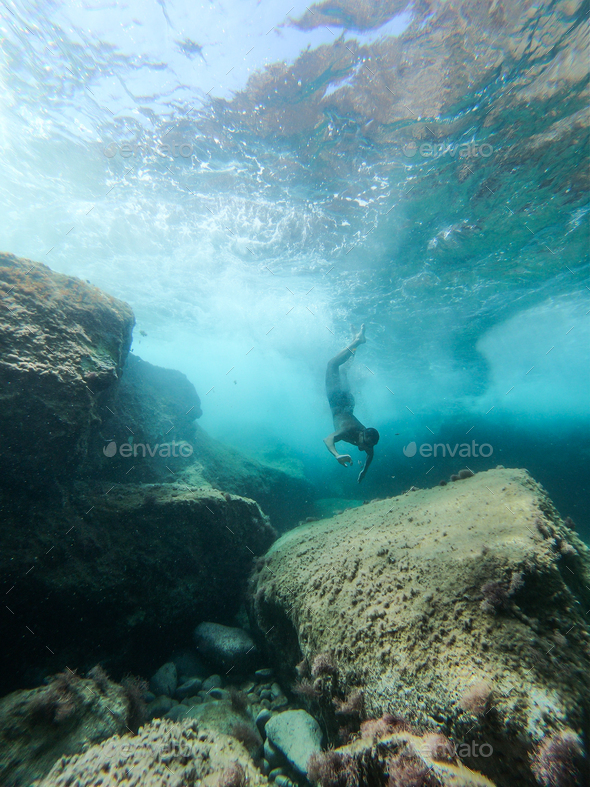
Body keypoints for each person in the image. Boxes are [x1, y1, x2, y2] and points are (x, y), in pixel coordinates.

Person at [324, 324, 379, 483]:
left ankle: (355, 342)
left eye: (368, 446)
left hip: (348, 404)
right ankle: (357, 341)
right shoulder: (349, 431)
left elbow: (370, 455)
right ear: (362, 434)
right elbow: (328, 439)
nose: (364, 448)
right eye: (365, 444)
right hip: (337, 401)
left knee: (343, 371)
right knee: (332, 365)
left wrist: (364, 471)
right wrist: (337, 455)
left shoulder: (367, 442)